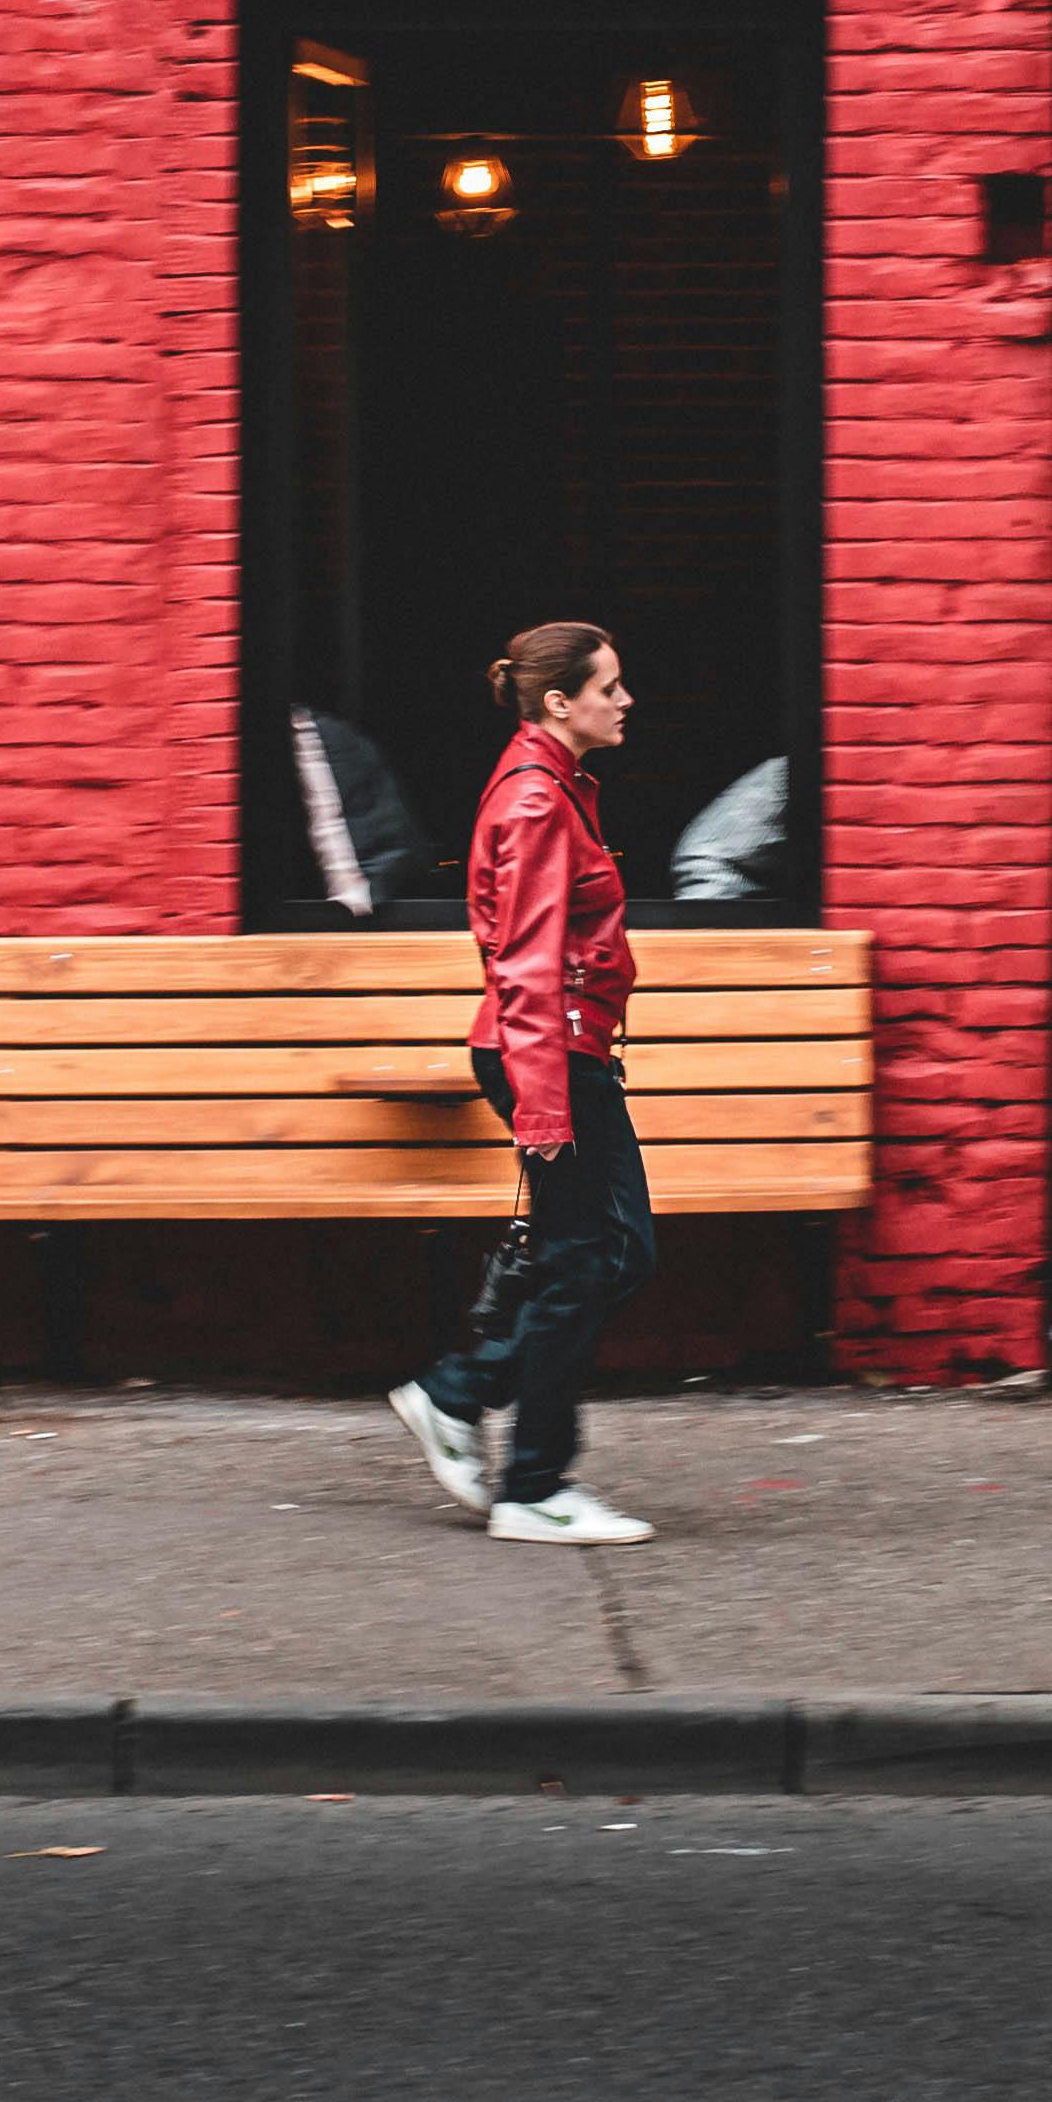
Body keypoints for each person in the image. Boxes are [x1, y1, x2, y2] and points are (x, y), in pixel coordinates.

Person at [388, 621, 660, 1546]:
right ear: (558, 702)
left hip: (562, 1051)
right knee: (584, 1260)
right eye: (608, 688)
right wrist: (543, 1105)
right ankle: (534, 1487)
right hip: (546, 1053)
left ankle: (458, 1394)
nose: (624, 702)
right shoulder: (540, 801)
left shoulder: (553, 783)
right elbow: (525, 962)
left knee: (616, 1254)